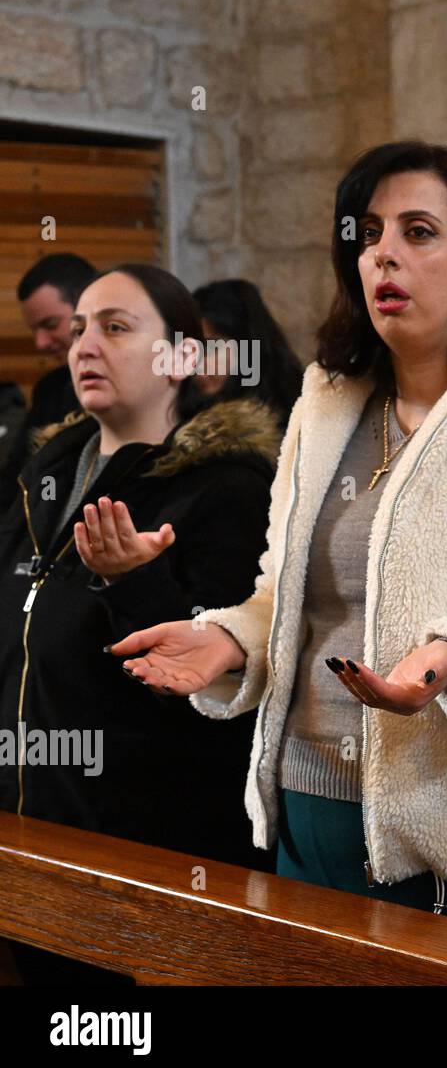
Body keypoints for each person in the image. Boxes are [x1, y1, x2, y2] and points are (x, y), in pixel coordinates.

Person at [109, 142, 447, 942]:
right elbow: (282, 592)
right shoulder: (327, 406)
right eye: (367, 234)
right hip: (310, 817)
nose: (384, 253)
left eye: (419, 231)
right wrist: (228, 638)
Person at [0, 263, 278, 866]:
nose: (85, 347)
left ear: (181, 359)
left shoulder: (226, 490)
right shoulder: (43, 477)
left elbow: (223, 692)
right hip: (29, 828)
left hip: (142, 847)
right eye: (77, 331)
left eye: (115, 327)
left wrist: (136, 582)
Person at [2, 254, 98, 507]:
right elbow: (18, 478)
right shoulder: (51, 389)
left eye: (50, 324)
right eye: (35, 330)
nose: (40, 343)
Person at [193, 279, 304, 428]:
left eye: (211, 347)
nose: (196, 364)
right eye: (191, 349)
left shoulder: (295, 421)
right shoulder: (188, 411)